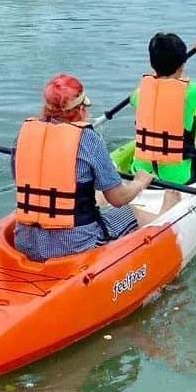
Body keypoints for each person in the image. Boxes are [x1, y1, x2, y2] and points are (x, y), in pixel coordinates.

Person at [12, 74, 155, 262]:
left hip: (26, 242)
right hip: (75, 245)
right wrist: (140, 183)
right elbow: (118, 199)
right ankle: (167, 215)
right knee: (131, 211)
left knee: (95, 198)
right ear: (80, 109)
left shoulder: (23, 137)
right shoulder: (88, 139)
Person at [130, 33, 196, 209]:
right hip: (179, 178)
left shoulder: (139, 94)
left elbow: (144, 89)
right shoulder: (189, 93)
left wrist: (158, 72)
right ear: (182, 66)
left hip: (140, 172)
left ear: (152, 64)